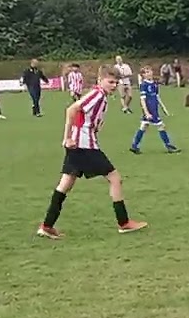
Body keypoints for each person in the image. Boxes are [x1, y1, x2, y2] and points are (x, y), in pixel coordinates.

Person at [37, 66, 148, 239]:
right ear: (100, 80)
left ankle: (47, 225)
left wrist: (92, 128)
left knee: (65, 184)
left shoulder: (101, 96)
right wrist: (67, 137)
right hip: (84, 146)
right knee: (115, 178)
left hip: (79, 144)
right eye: (110, 82)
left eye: (116, 83)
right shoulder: (97, 94)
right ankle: (124, 222)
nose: (113, 85)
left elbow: (83, 116)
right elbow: (72, 109)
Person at [130, 66, 179, 154]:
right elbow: (142, 100)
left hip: (154, 109)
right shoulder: (144, 85)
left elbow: (157, 97)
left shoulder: (154, 84)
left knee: (144, 126)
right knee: (161, 126)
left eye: (150, 71)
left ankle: (134, 146)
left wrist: (164, 108)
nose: (149, 73)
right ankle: (168, 146)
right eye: (146, 72)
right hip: (150, 110)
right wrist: (146, 112)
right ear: (143, 75)